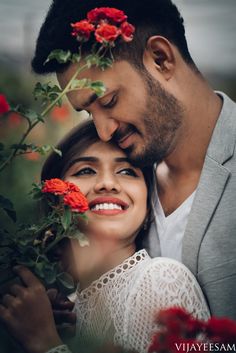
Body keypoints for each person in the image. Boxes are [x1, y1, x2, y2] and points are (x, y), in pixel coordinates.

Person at [31, 0, 236, 319]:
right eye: (88, 113)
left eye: (108, 101)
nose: (103, 132)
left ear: (161, 59)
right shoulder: (132, 179)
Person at [0, 120, 210, 353]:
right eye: (86, 170)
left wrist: (45, 343)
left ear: (149, 207)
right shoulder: (65, 312)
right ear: (54, 200)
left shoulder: (159, 280)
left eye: (127, 171)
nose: (108, 184)